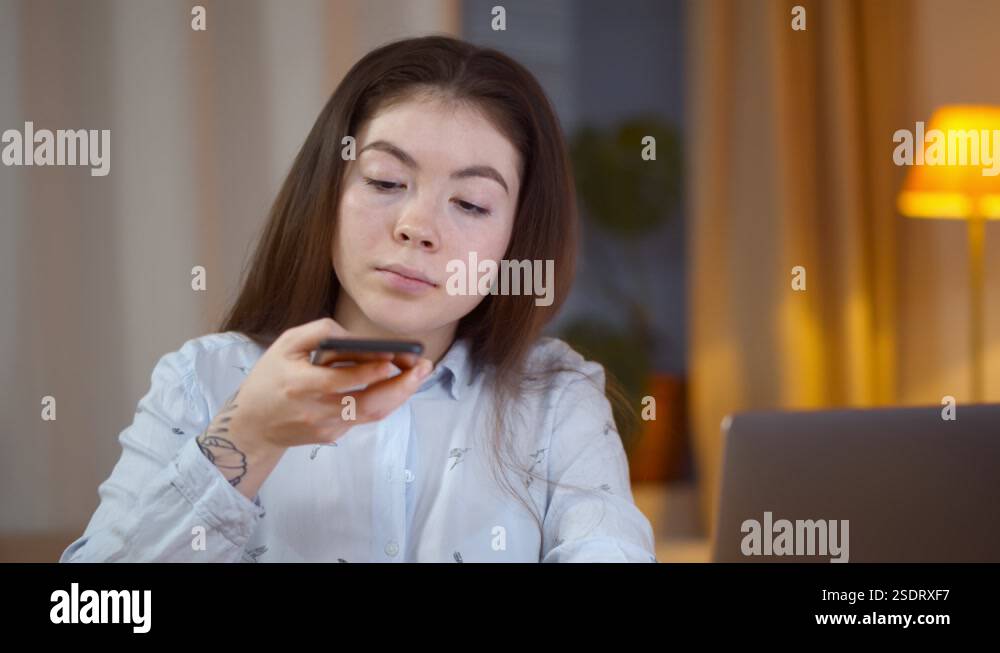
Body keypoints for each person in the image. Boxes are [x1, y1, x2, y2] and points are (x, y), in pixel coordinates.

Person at [60, 35, 656, 563]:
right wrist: (248, 440)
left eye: (471, 203)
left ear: (515, 237)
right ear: (329, 191)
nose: (417, 226)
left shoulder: (557, 400)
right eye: (385, 182)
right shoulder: (203, 380)